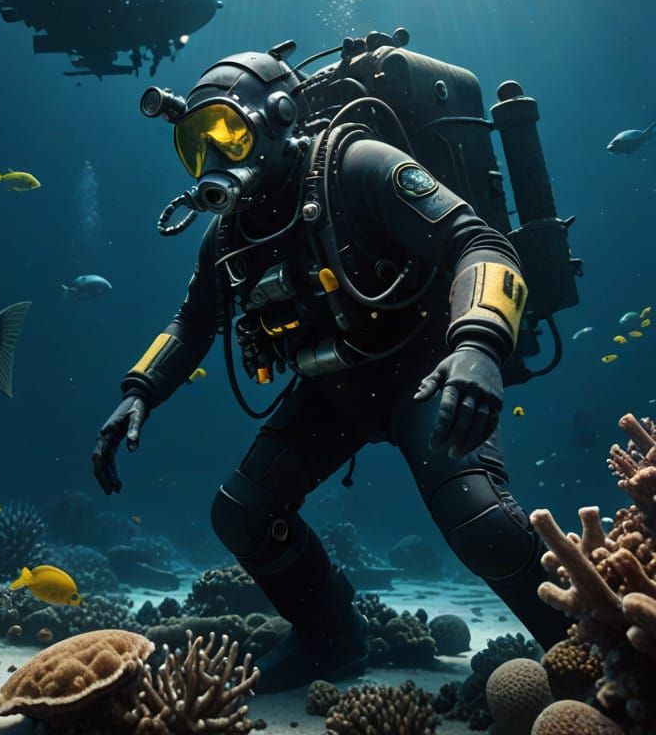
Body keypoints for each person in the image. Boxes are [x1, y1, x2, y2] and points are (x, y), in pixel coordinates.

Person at [92, 45, 570, 692]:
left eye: (225, 132)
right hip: (332, 386)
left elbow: (481, 243)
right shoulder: (227, 235)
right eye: (192, 144)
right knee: (242, 514)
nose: (211, 161)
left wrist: (479, 346)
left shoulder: (356, 165)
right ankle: (331, 640)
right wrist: (138, 391)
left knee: (480, 522)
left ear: (278, 116)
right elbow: (192, 322)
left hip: (427, 368)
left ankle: (594, 651)